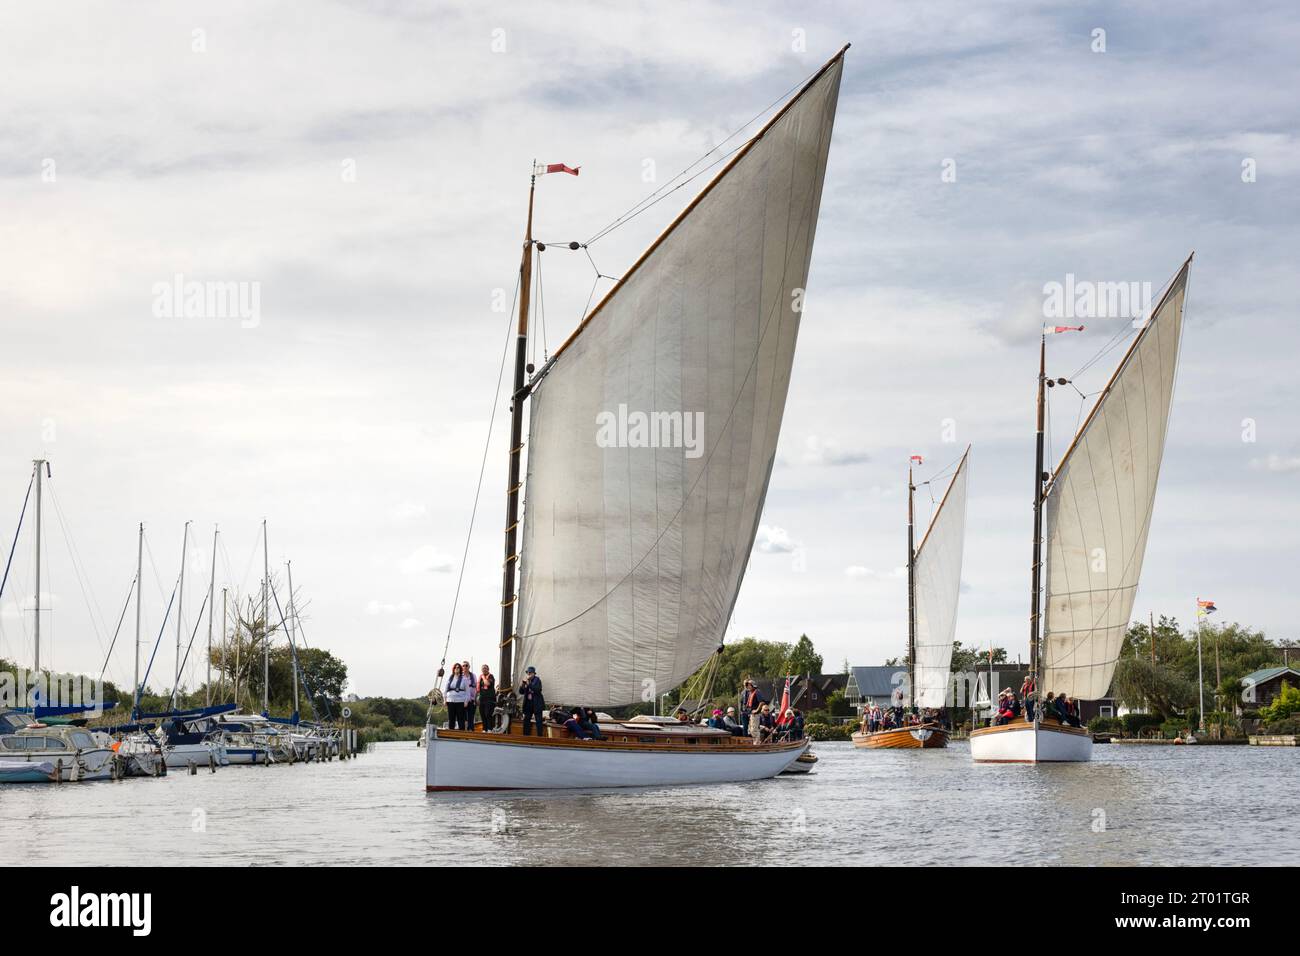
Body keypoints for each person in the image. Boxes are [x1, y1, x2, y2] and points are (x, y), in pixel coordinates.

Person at [518, 666, 545, 736]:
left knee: (539, 722)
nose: (529, 674)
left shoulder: (538, 680)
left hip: (537, 704)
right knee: (526, 721)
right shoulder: (526, 681)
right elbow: (521, 692)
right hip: (528, 704)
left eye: (530, 673)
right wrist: (522, 684)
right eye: (528, 673)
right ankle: (526, 736)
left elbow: (537, 690)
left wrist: (529, 684)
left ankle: (540, 738)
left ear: (534, 674)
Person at [444, 663, 471, 730]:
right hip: (451, 700)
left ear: (460, 669)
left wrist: (466, 701)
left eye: (458, 667)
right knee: (451, 718)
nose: (457, 668)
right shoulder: (450, 679)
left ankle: (461, 734)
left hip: (461, 701)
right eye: (455, 667)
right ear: (453, 669)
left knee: (461, 719)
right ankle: (451, 733)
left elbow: (467, 692)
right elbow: (445, 690)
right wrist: (445, 700)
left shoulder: (464, 679)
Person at [477, 665, 497, 732]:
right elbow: (478, 689)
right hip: (482, 698)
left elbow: (487, 683)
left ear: (488, 669)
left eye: (485, 668)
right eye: (483, 669)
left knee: (488, 714)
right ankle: (484, 729)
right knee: (482, 714)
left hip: (489, 699)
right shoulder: (480, 678)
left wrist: (483, 677)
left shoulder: (491, 676)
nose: (484, 670)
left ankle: (489, 729)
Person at [463, 660, 477, 730]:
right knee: (463, 717)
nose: (465, 667)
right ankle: (464, 731)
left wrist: (476, 699)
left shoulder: (473, 676)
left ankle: (471, 731)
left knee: (471, 717)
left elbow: (476, 687)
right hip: (463, 700)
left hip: (472, 699)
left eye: (466, 665)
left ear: (469, 667)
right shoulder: (460, 676)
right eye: (463, 665)